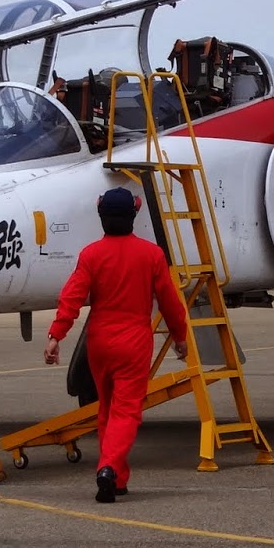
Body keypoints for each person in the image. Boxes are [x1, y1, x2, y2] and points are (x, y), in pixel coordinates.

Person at [43, 189, 189, 502]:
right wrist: (180, 336)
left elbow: (72, 298)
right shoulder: (151, 255)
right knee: (127, 412)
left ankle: (118, 479)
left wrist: (56, 335)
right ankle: (108, 468)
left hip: (99, 342)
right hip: (134, 342)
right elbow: (170, 302)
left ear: (101, 217)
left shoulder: (91, 255)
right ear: (133, 215)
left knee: (107, 410)